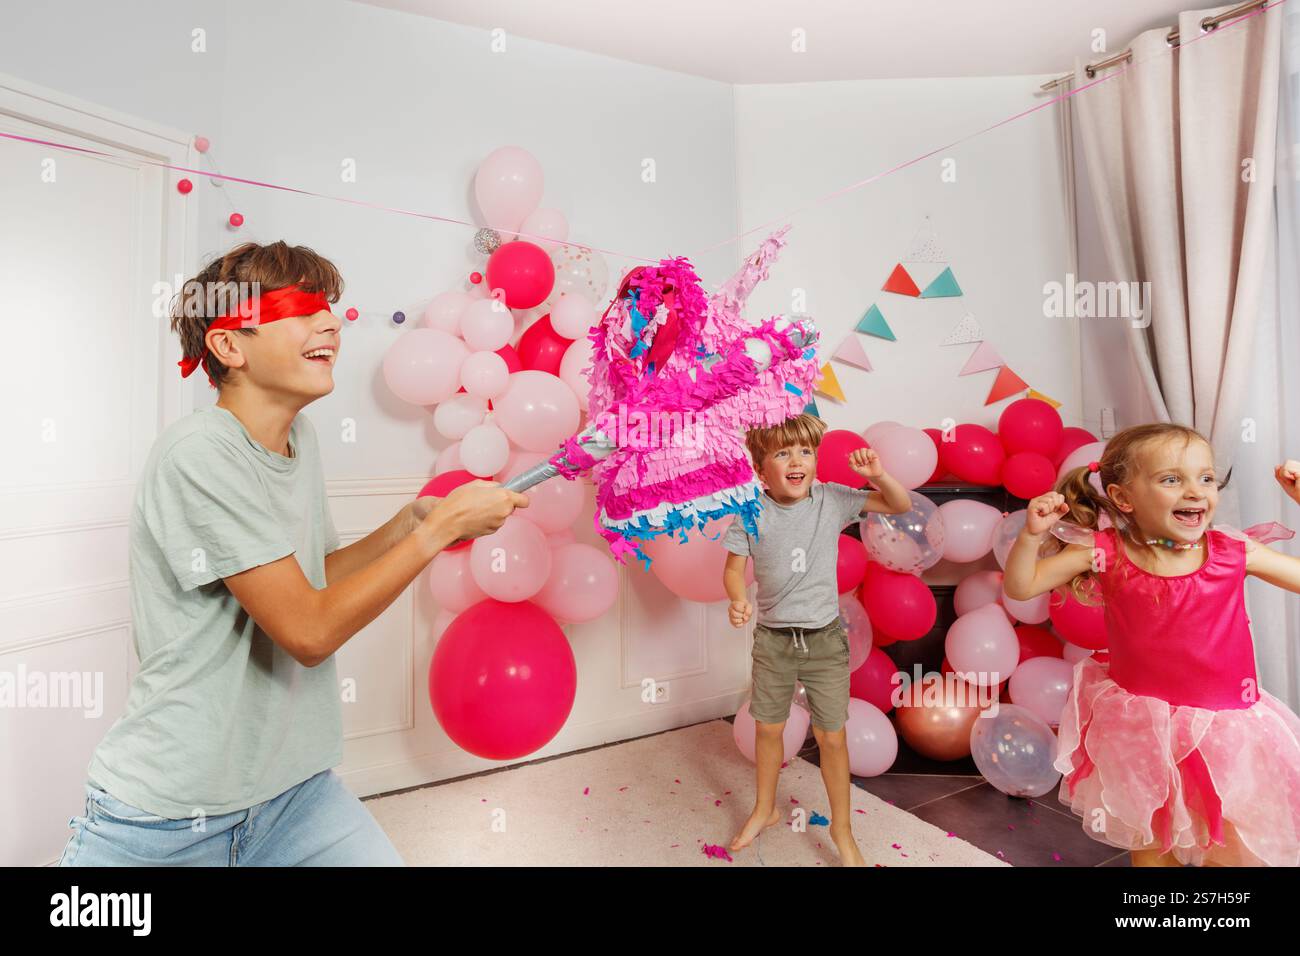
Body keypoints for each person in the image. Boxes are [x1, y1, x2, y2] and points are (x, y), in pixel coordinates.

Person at [58, 241, 526, 866]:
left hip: (294, 795)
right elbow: (307, 630)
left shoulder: (296, 438)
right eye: (301, 308)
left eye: (329, 309)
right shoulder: (198, 452)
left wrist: (412, 521)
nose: (330, 323)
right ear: (229, 345)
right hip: (168, 818)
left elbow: (312, 582)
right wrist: (436, 535)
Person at [1003, 422, 1300, 866]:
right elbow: (1022, 586)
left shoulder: (1234, 552)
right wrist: (1030, 537)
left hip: (1227, 730)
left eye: (1205, 478)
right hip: (1143, 728)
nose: (1195, 492)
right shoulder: (1105, 551)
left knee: (1230, 846)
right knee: (1152, 842)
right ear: (1124, 498)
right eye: (1171, 479)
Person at [721, 413, 911, 865]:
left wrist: (878, 475)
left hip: (824, 640)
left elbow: (900, 506)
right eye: (783, 452)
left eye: (806, 451)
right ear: (760, 466)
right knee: (768, 727)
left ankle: (843, 834)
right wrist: (736, 599)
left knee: (832, 737)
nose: (797, 461)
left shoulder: (833, 498)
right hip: (773, 640)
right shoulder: (750, 510)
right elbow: (732, 571)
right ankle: (765, 808)